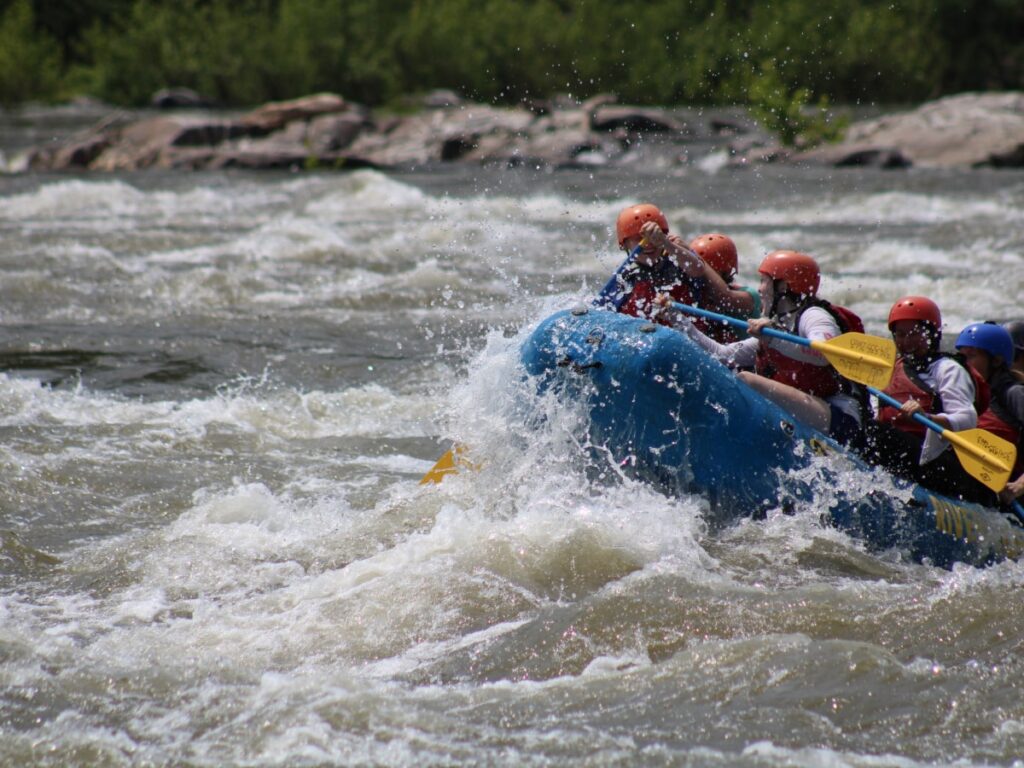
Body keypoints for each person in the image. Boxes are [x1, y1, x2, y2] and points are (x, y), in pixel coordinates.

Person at [656, 250, 865, 446]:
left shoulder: (813, 315)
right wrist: (678, 320)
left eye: (764, 281)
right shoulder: (777, 326)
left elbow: (824, 354)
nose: (759, 289)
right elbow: (721, 355)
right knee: (732, 374)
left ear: (783, 287)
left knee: (747, 380)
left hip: (840, 419)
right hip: (809, 411)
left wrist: (774, 339)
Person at [860, 296, 992, 504]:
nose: (906, 342)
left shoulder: (948, 369)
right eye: (900, 335)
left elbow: (967, 419)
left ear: (932, 334)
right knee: (861, 427)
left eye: (914, 334)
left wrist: (927, 417)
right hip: (903, 452)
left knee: (873, 434)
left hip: (937, 460)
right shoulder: (891, 368)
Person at [598, 204, 735, 329]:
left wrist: (665, 243)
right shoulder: (625, 277)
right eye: (639, 238)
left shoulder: (678, 258)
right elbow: (604, 312)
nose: (648, 243)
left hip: (689, 340)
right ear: (624, 244)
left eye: (654, 237)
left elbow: (698, 269)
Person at [956, 322, 1024, 507]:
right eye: (961, 356)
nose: (964, 363)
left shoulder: (1014, 393)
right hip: (972, 477)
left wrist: (1019, 486)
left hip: (1007, 491)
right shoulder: (961, 392)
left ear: (996, 361)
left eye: (972, 356)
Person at [688, 233, 760, 342]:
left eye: (705, 273)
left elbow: (725, 297)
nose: (698, 276)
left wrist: (699, 262)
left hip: (740, 356)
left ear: (726, 271)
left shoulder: (749, 295)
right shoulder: (692, 294)